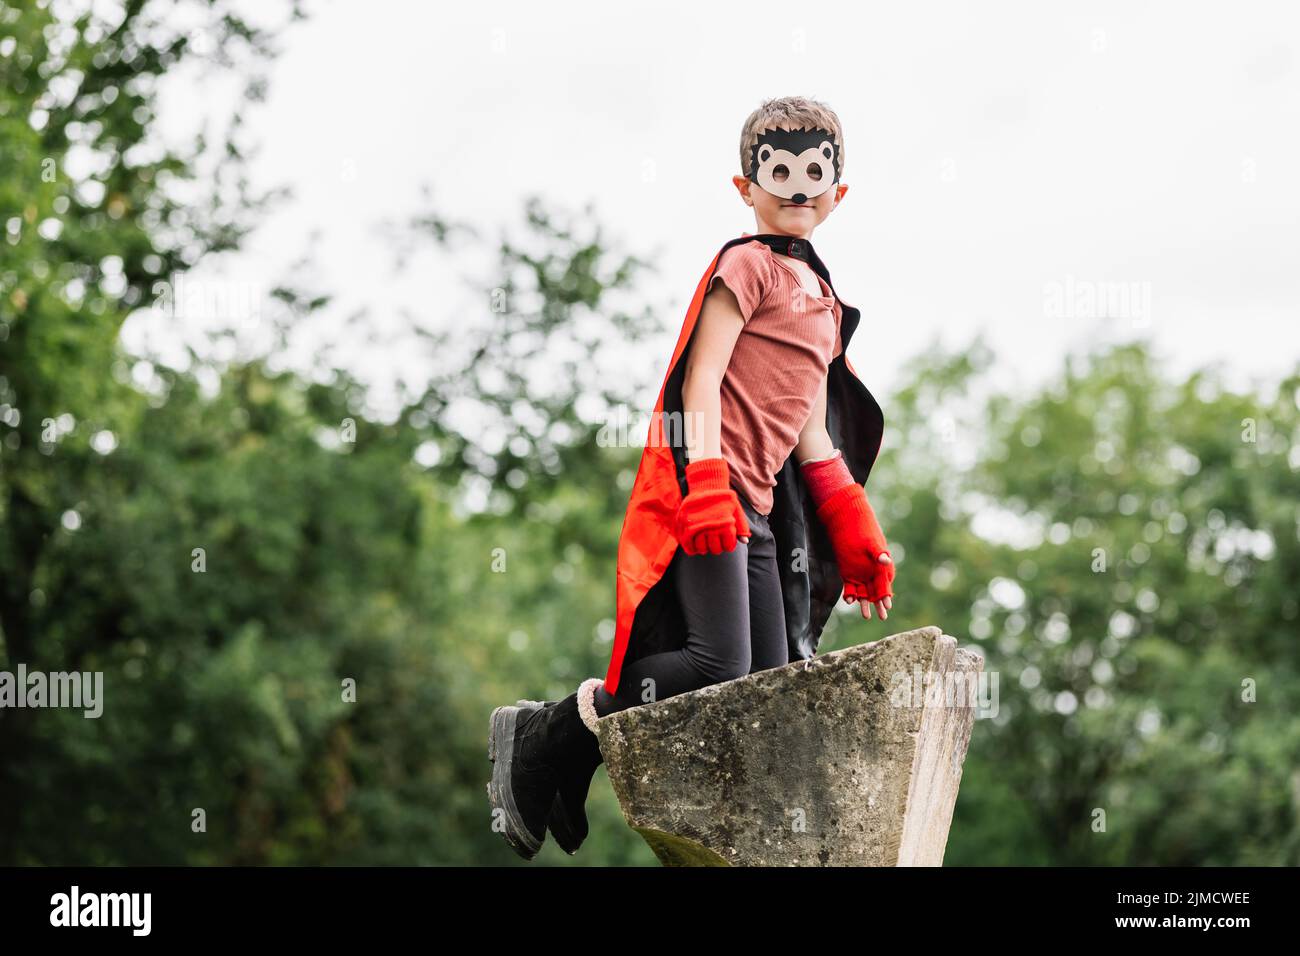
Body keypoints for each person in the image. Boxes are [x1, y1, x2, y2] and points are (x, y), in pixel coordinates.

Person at [487, 95, 896, 861]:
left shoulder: (826, 303)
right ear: (746, 187)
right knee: (715, 663)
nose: (799, 187)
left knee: (767, 686)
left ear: (839, 191)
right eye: (780, 172)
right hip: (711, 491)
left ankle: (580, 753)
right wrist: (705, 480)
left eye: (816, 173)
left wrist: (854, 525)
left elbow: (810, 433)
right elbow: (699, 379)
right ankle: (551, 730)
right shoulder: (746, 265)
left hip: (765, 508)